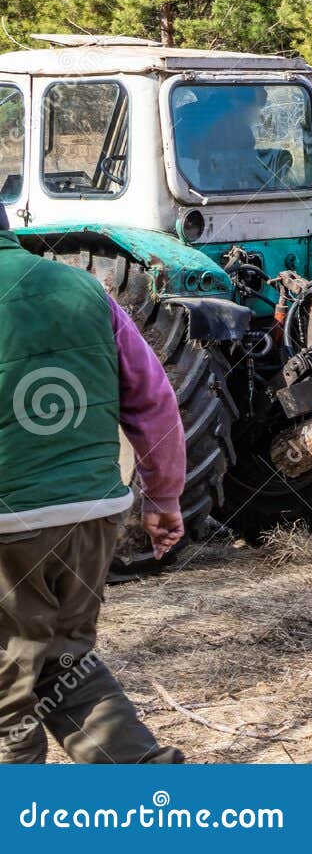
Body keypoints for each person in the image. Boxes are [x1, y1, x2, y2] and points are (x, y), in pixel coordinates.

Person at [0, 202, 187, 763]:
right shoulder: (84, 289)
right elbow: (153, 399)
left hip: (9, 525)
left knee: (7, 701)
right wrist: (163, 495)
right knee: (65, 666)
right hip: (91, 515)